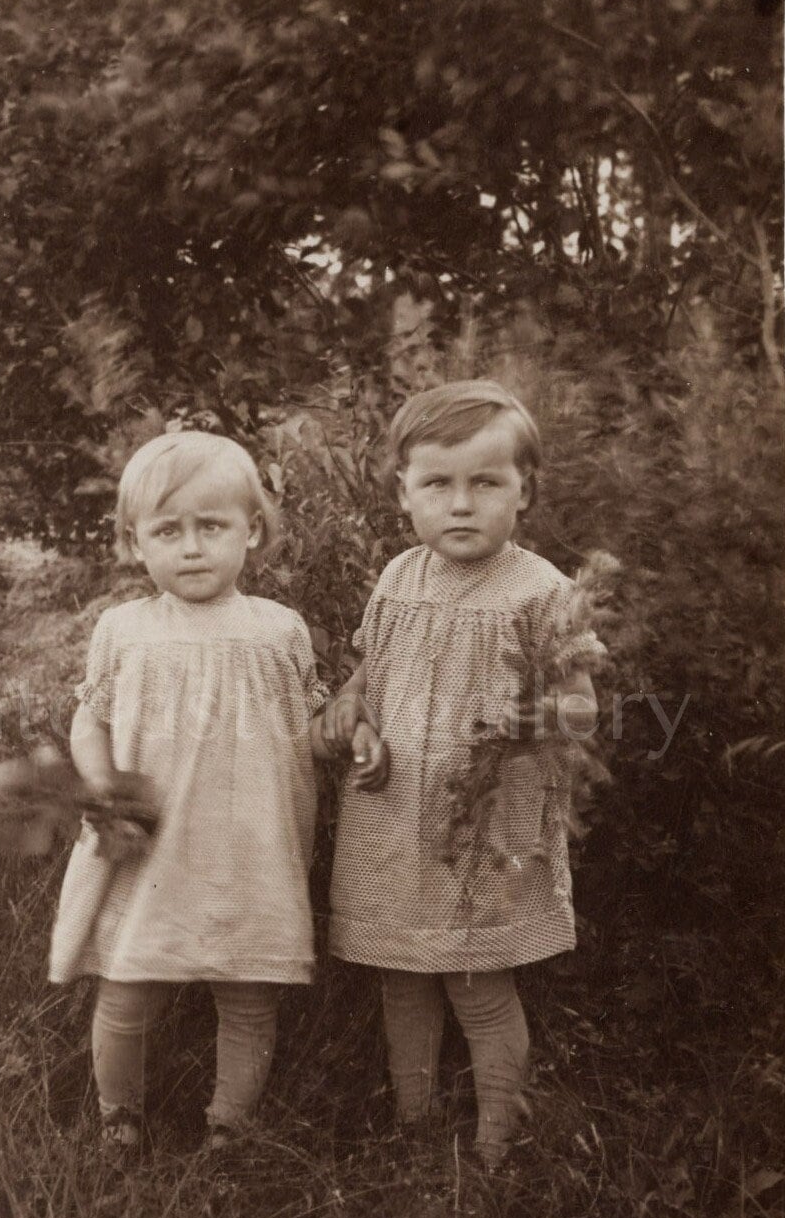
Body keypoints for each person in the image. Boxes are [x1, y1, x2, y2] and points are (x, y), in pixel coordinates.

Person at [319, 380, 604, 1170]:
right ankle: (413, 1125)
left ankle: (493, 1145)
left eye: (486, 482)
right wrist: (360, 723)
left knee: (477, 983)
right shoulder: (398, 579)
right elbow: (367, 678)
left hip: (482, 827)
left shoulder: (544, 593)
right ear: (403, 493)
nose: (461, 503)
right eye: (437, 484)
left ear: (525, 492)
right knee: (403, 979)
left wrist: (522, 726)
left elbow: (580, 709)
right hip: (393, 817)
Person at [49, 430, 342, 1155]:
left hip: (250, 841)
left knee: (248, 990)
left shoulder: (279, 630)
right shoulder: (125, 629)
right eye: (167, 530)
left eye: (211, 527)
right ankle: (120, 1115)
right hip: (152, 841)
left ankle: (230, 1126)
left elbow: (306, 729)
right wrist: (100, 780)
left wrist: (350, 737)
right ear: (133, 541)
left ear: (253, 530)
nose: (191, 547)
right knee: (128, 983)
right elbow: (92, 717)